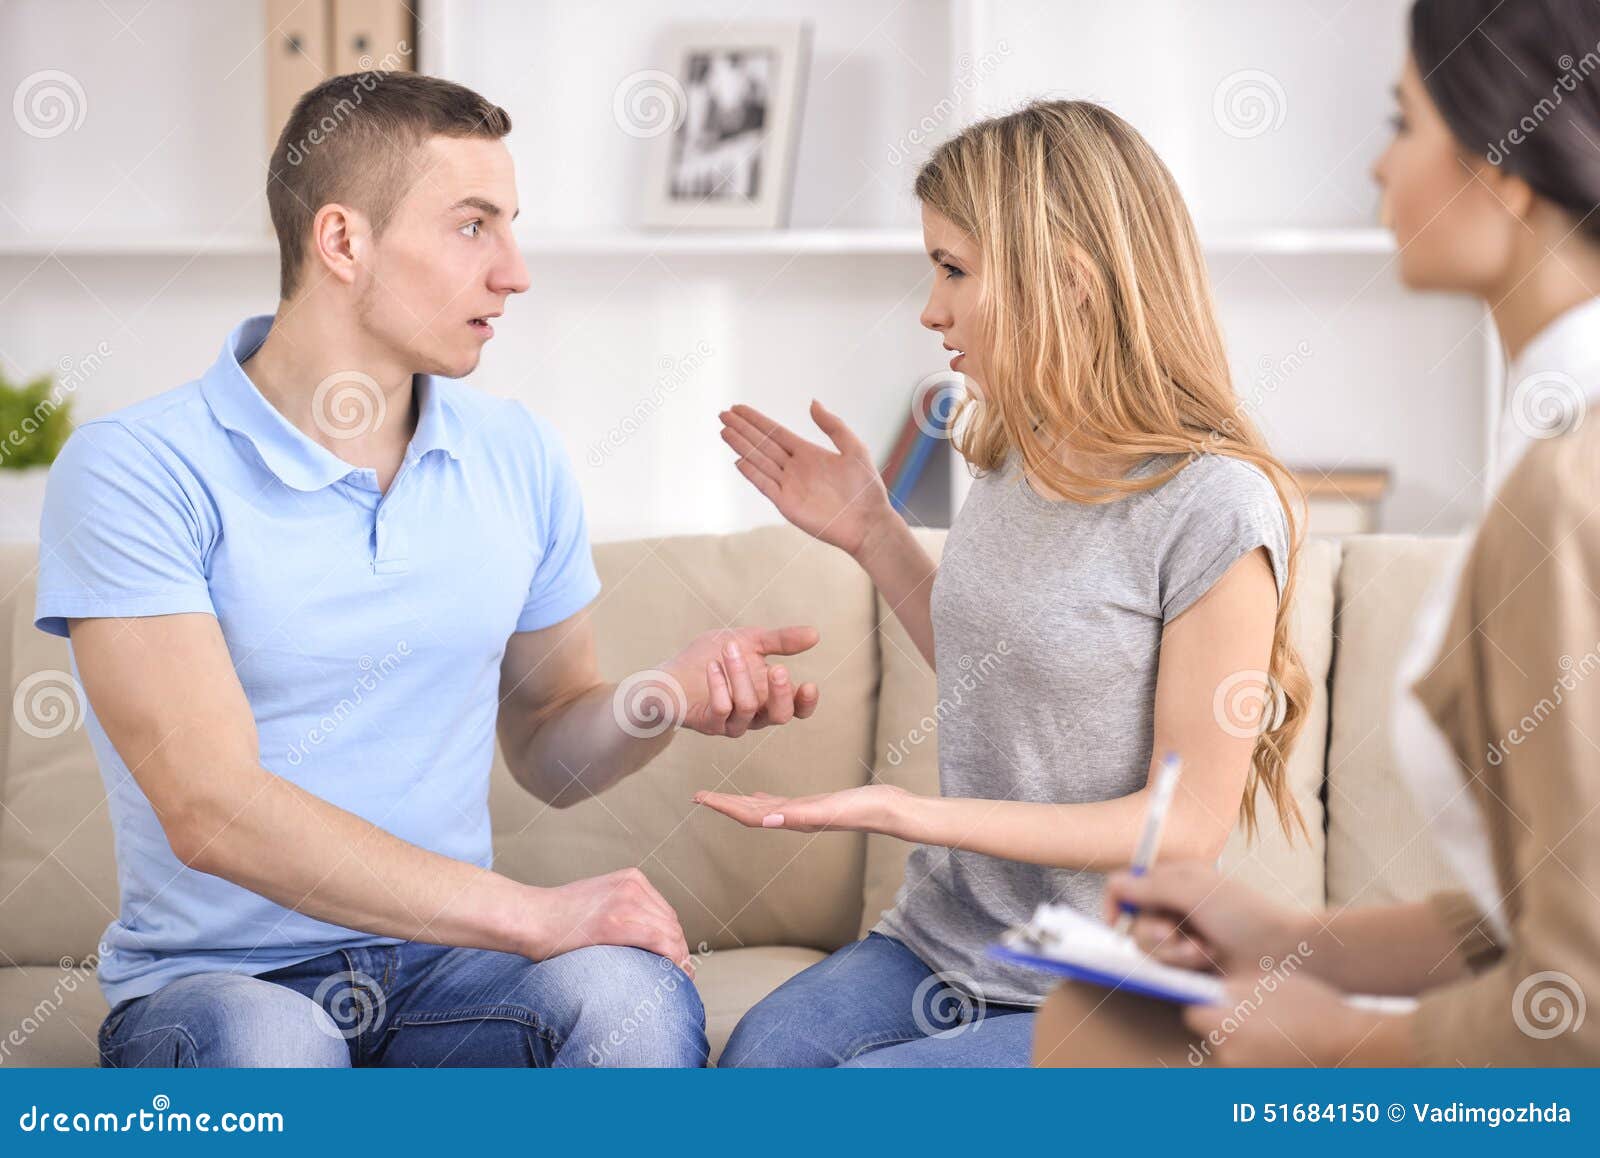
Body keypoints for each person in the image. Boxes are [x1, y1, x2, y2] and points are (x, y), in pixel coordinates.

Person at [36, 71, 821, 1069]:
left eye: (512, 226)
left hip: (451, 971)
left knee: (627, 997)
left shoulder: (516, 455)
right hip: (225, 983)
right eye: (471, 226)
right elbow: (211, 809)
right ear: (342, 241)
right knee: (269, 1043)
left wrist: (661, 697)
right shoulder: (136, 469)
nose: (515, 272)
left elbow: (546, 741)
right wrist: (533, 915)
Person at [697, 99, 1314, 1067]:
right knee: (761, 1063)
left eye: (953, 269)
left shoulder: (1215, 507)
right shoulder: (1013, 456)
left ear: (1068, 281)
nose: (929, 309)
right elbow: (1002, 677)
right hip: (943, 947)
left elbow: (1184, 828)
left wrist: (910, 813)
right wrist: (871, 531)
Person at [1045, 0, 1600, 1067]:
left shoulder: (1567, 489)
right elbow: (1544, 914)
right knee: (1102, 1015)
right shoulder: (1549, 436)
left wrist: (1333, 1041)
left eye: (1402, 126)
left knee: (1100, 1033)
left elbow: (1575, 1004)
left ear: (1505, 169)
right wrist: (1292, 941)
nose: (1379, 172)